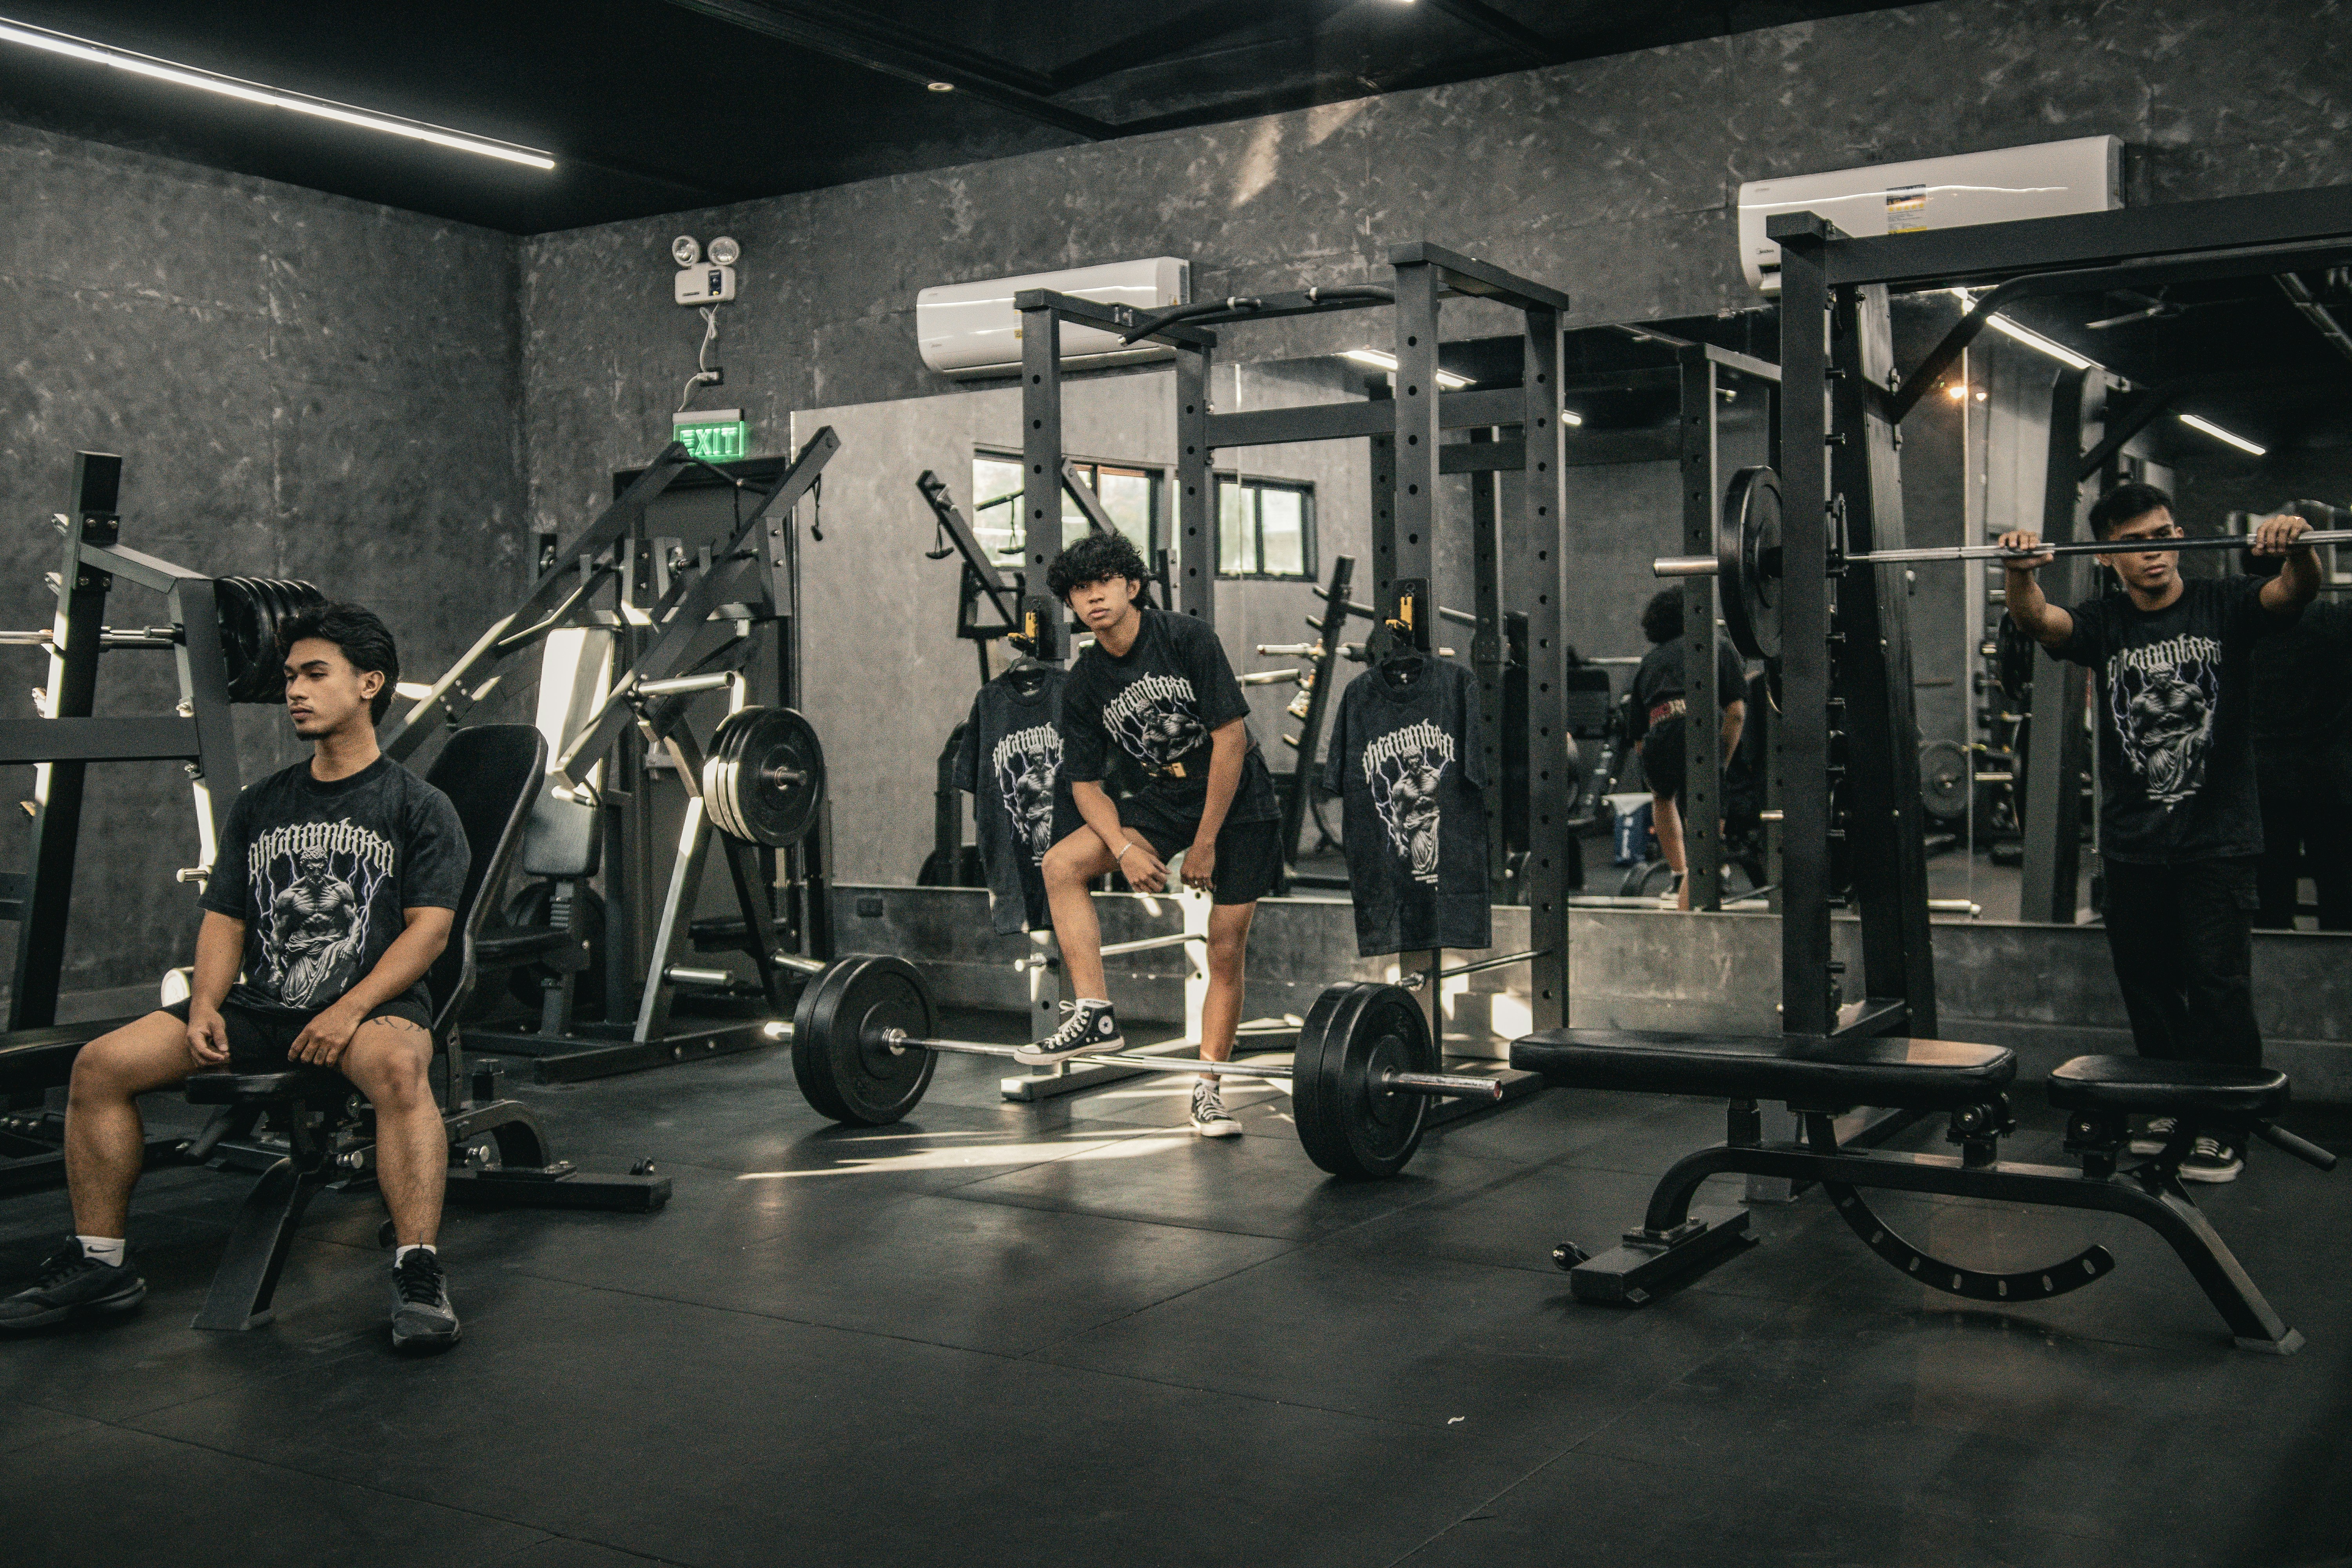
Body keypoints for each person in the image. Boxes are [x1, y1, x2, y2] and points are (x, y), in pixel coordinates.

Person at [0, 604, 471, 1344]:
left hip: (368, 1008)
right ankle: (102, 1264)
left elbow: (430, 931)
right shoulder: (262, 804)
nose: (295, 691)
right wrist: (205, 1004)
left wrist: (348, 1011)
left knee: (402, 1074)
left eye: (315, 674)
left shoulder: (419, 807)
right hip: (261, 1005)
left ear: (370, 684)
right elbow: (226, 919)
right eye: (290, 677)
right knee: (100, 1066)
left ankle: (418, 1270)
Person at [2001, 482, 2321, 1182]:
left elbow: (2292, 594)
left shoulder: (2225, 603)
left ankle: (2226, 1124)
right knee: (2148, 984)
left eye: (2167, 534)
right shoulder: (2105, 621)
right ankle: (2171, 1103)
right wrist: (2020, 574)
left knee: (2217, 986)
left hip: (2218, 838)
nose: (2159, 552)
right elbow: (2040, 624)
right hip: (2133, 841)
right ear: (2111, 555)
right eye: (2140, 543)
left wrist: (2300, 548)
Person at [1032, 532, 1283, 1137]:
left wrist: (1203, 845)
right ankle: (1094, 1011)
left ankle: (1208, 1090)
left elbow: (1230, 741)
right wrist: (1121, 847)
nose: (1090, 599)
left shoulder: (1185, 638)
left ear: (1132, 586)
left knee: (1224, 946)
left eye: (1102, 584)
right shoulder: (1086, 677)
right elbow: (1085, 784)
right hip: (1164, 800)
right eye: (1078, 590)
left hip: (1239, 801)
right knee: (1061, 865)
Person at [1626, 589, 1746, 909]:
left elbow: (1639, 738)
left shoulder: (1649, 662)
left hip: (1656, 739)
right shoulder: (1719, 647)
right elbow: (1736, 714)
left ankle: (1680, 874)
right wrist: (1720, 760)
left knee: (1662, 797)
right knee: (1708, 836)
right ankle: (1686, 909)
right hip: (1696, 732)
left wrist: (1656, 768)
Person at [2249, 571, 2352, 931]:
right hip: (2332, 784)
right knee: (2343, 900)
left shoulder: (2241, 626)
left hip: (2264, 788)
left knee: (2269, 904)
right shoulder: (2335, 620)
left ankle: (2273, 979)